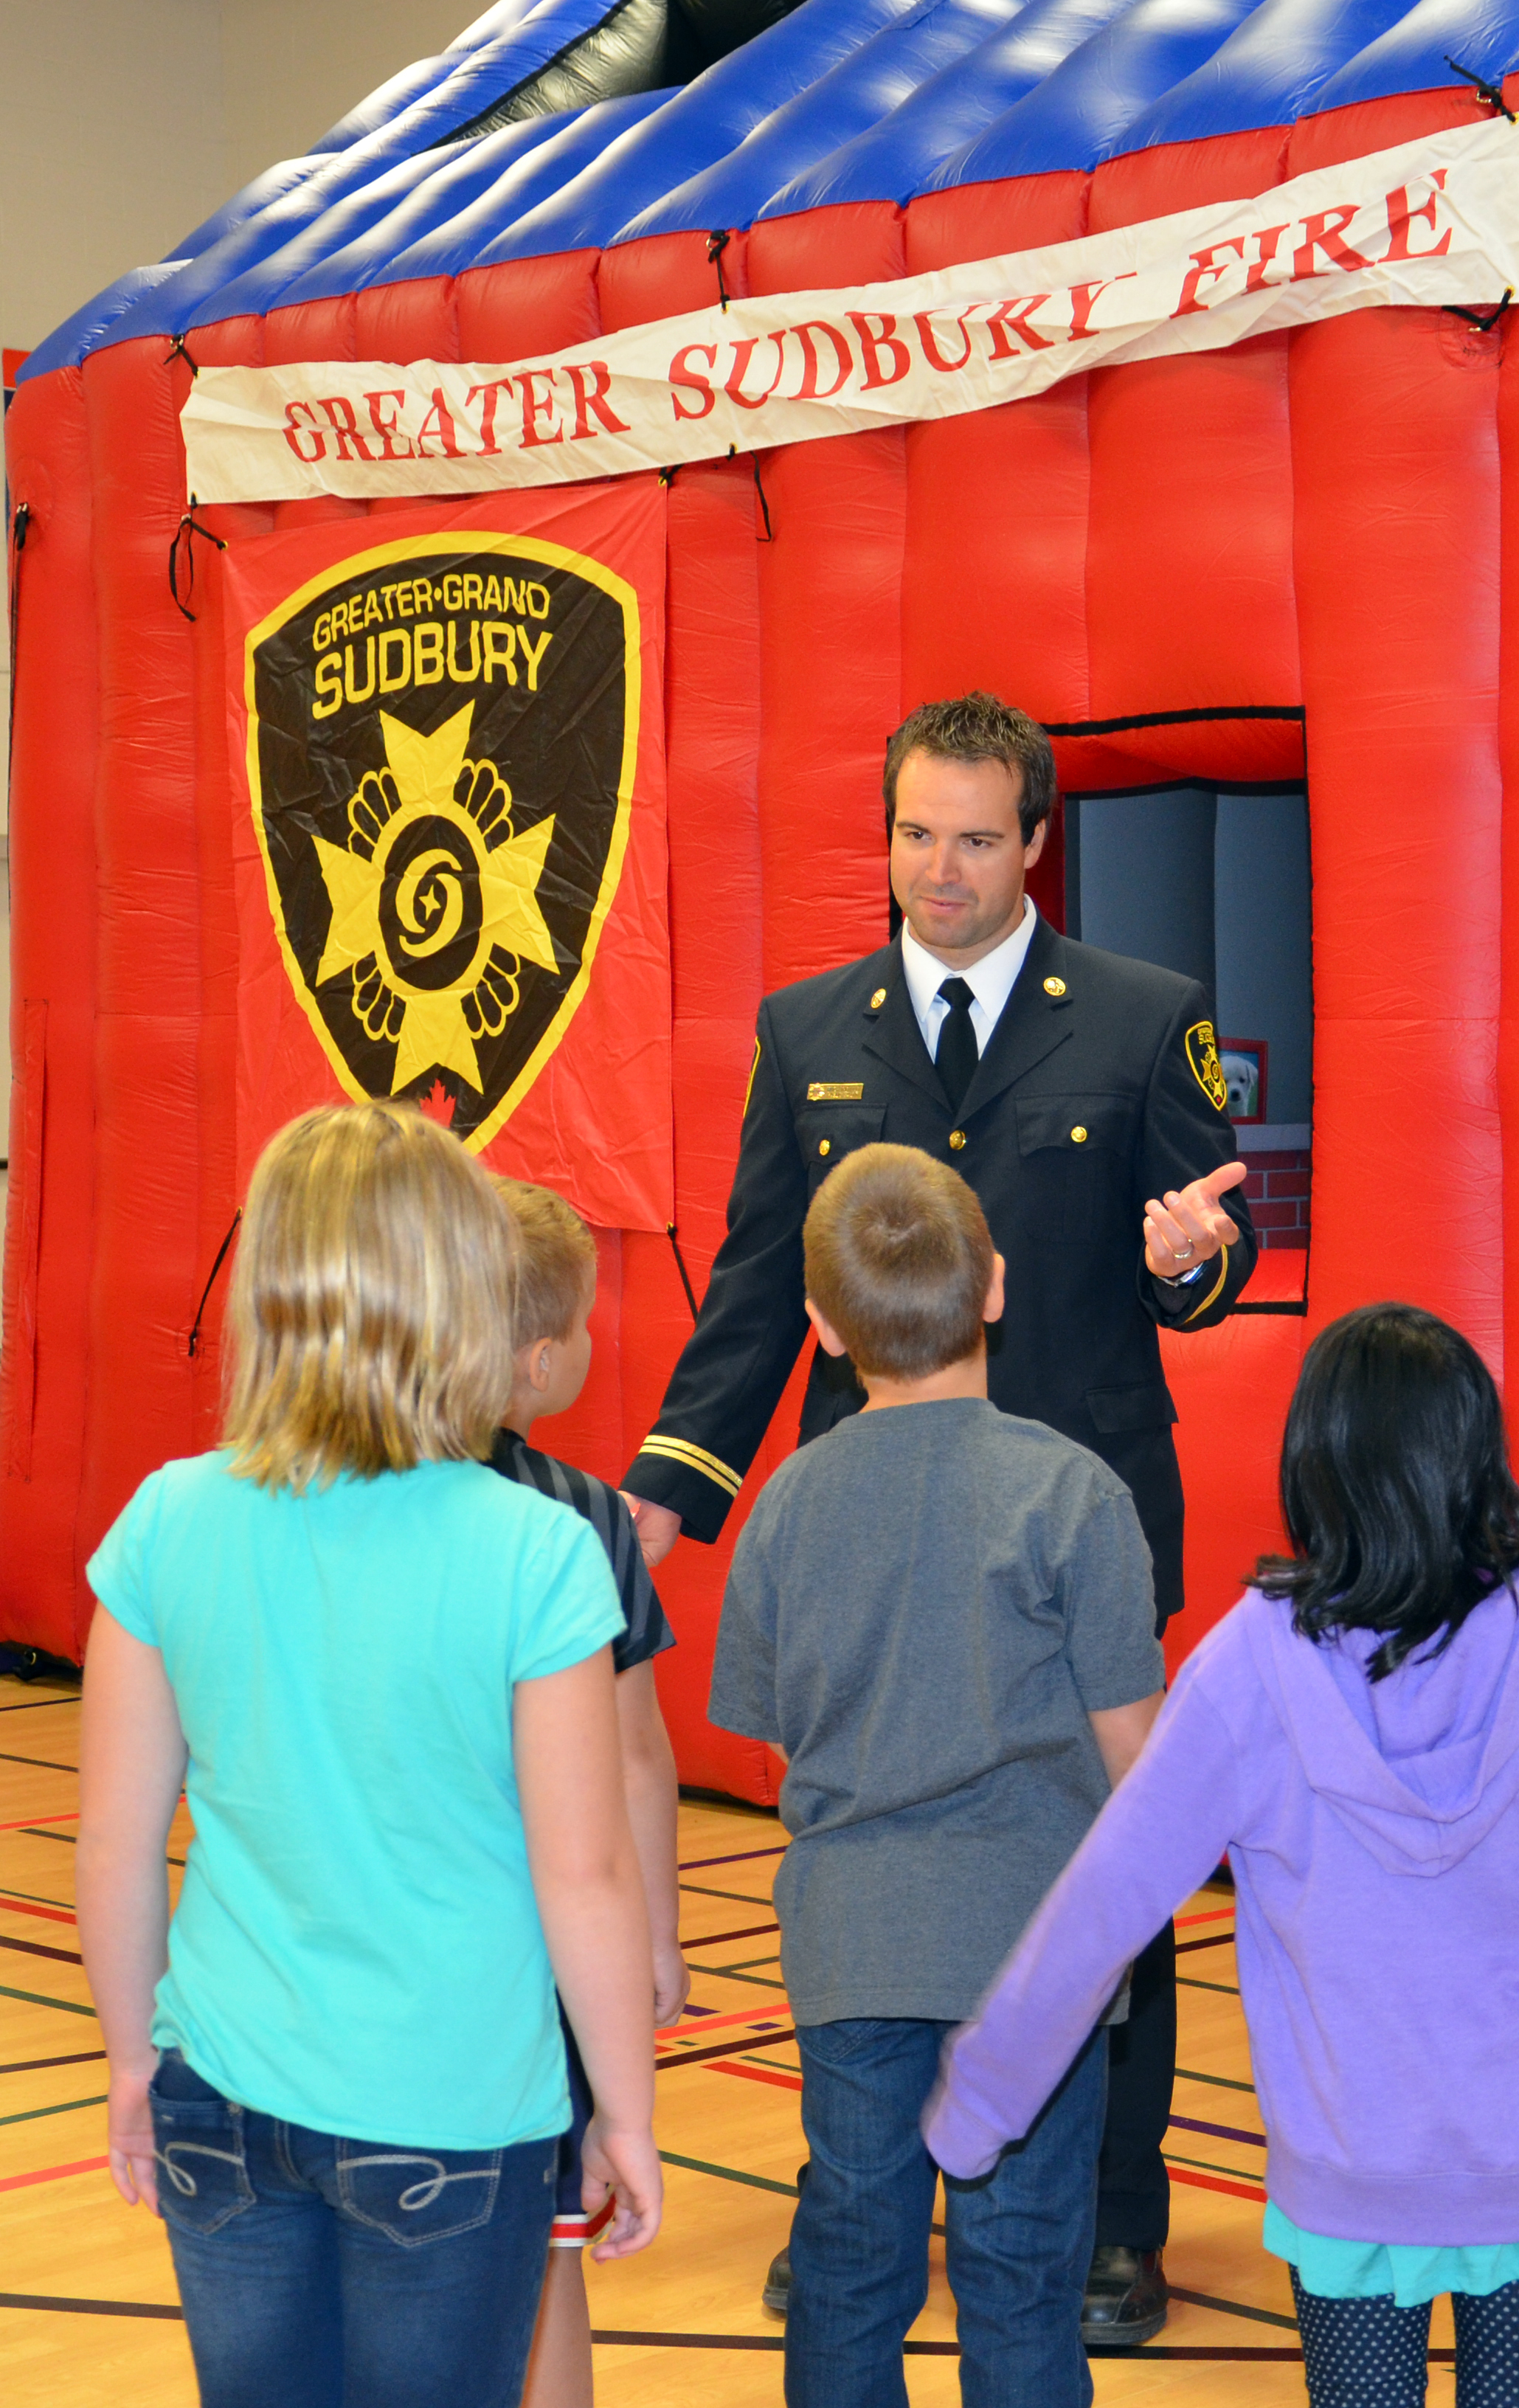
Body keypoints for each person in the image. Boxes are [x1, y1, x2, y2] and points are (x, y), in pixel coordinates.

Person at [623, 689, 1257, 2338]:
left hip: (1078, 1528)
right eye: (914, 832)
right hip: (877, 1538)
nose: (940, 869)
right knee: (867, 1858)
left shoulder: (1140, 1017)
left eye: (976, 837)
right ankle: (863, 2199)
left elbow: (1205, 1249)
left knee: (1102, 1857)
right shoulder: (809, 1031)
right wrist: (660, 1507)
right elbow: (759, 1293)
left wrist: (1201, 1263)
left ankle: (1113, 2220)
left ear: (1035, 841)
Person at [924, 1301, 1519, 2408]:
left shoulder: (1247, 1671)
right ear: (1473, 1460)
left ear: (1313, 1468)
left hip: (1351, 2174)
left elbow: (1108, 1896)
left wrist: (984, 2097)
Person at [75, 1104, 664, 2408]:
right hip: (452, 2114)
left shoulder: (169, 1518)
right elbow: (587, 1877)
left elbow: (116, 1846)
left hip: (218, 2097)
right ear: (465, 1294)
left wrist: (131, 2060)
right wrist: (623, 2112)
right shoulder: (535, 1550)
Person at [708, 1143, 1167, 2408]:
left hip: (855, 1946)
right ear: (997, 1288)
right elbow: (1142, 1762)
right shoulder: (1073, 1493)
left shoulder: (788, 1503)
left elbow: (776, 1728)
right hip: (1039, 1949)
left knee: (852, 2267)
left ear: (819, 1325)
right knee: (1021, 2274)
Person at [488, 1178, 690, 2408]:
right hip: (538, 1951)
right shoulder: (578, 1515)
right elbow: (635, 1760)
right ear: (540, 1355)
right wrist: (657, 1938)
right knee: (549, 2258)